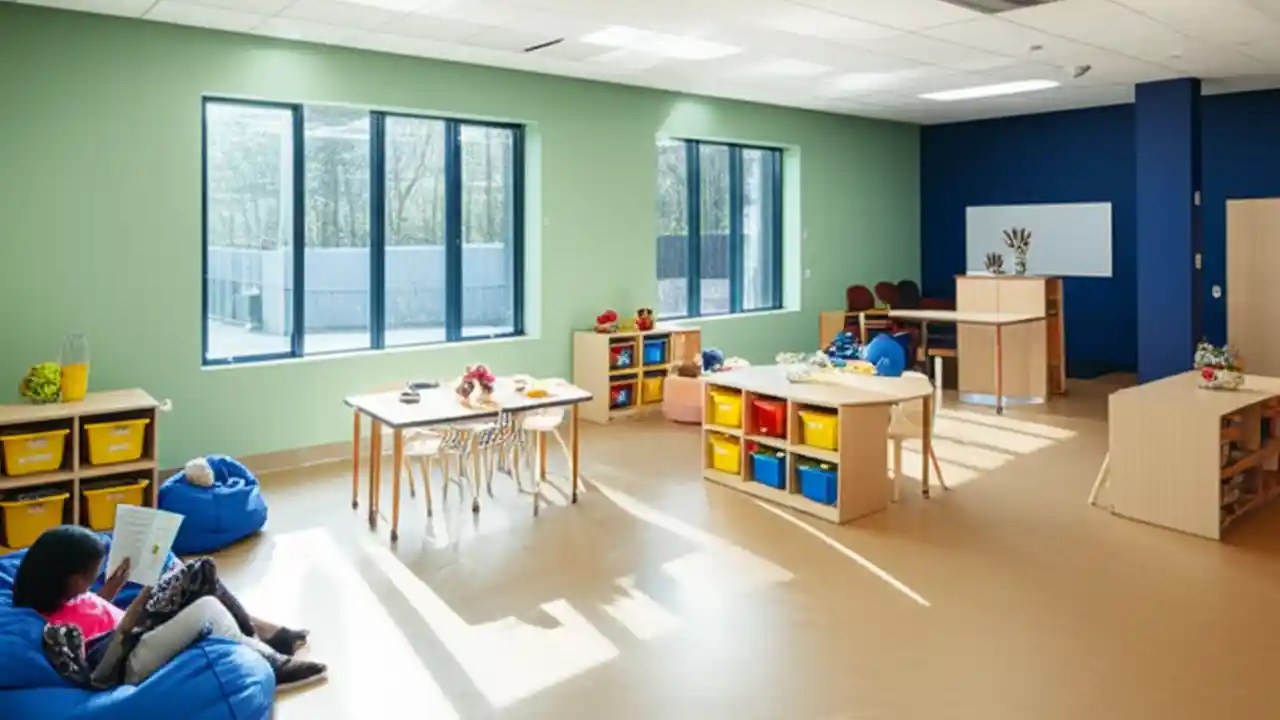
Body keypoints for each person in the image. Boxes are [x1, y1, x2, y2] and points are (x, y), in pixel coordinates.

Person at [12, 525, 326, 691]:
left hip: (140, 632)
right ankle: (269, 658)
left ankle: (264, 640)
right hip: (129, 660)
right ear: (73, 578)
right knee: (206, 608)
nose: (97, 575)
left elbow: (91, 611)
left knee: (199, 574)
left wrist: (111, 591)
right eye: (94, 571)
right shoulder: (53, 625)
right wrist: (132, 619)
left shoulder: (72, 595)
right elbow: (99, 672)